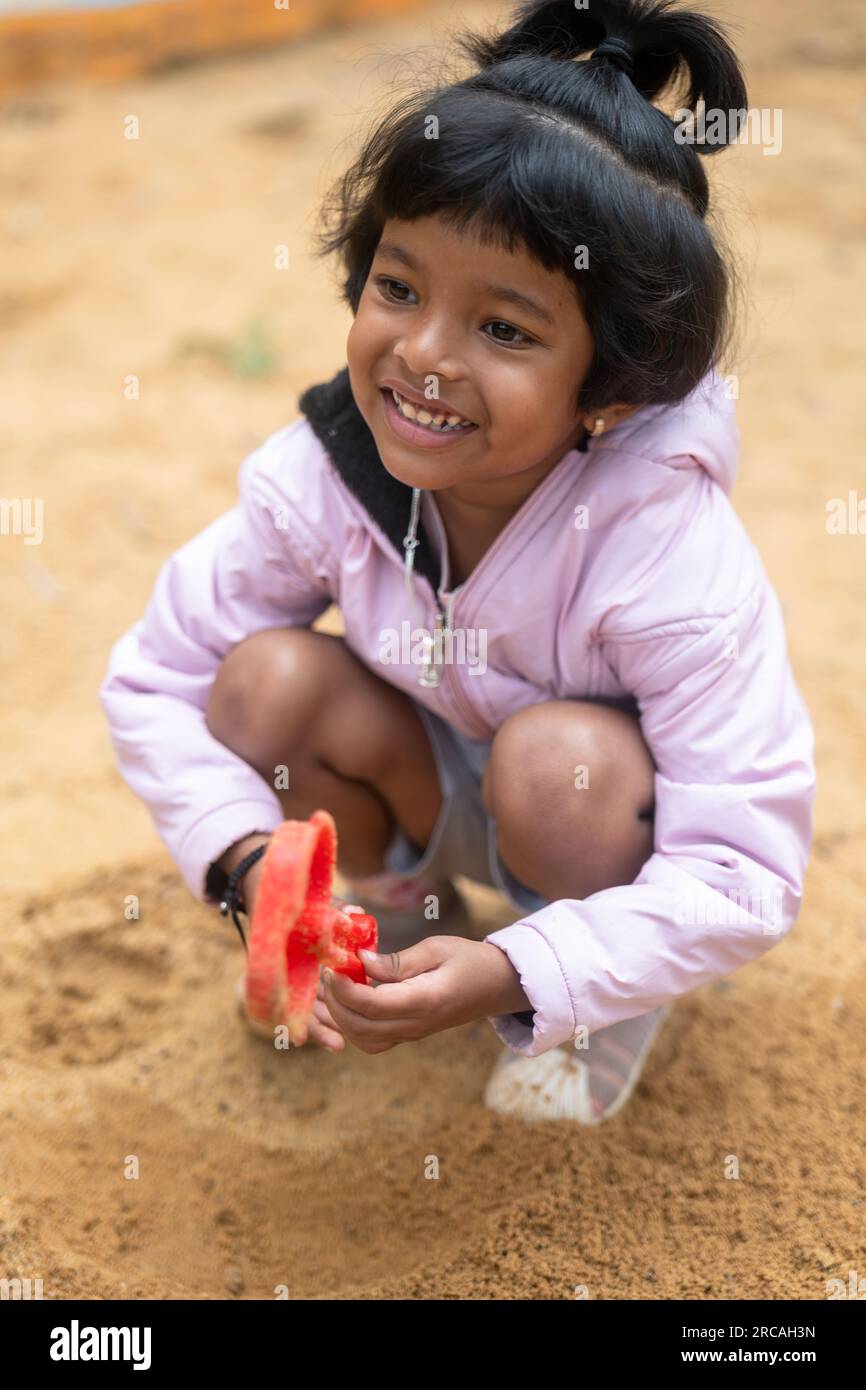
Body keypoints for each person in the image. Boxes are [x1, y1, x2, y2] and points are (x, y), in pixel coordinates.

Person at [100, 0, 815, 1124]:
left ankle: (585, 999)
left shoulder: (663, 549)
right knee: (265, 682)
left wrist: (521, 971)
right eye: (398, 286)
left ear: (613, 390)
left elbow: (742, 870)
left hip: (586, 822)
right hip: (426, 769)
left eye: (506, 330)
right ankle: (392, 924)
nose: (423, 356)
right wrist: (244, 859)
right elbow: (155, 679)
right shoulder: (325, 473)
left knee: (550, 763)